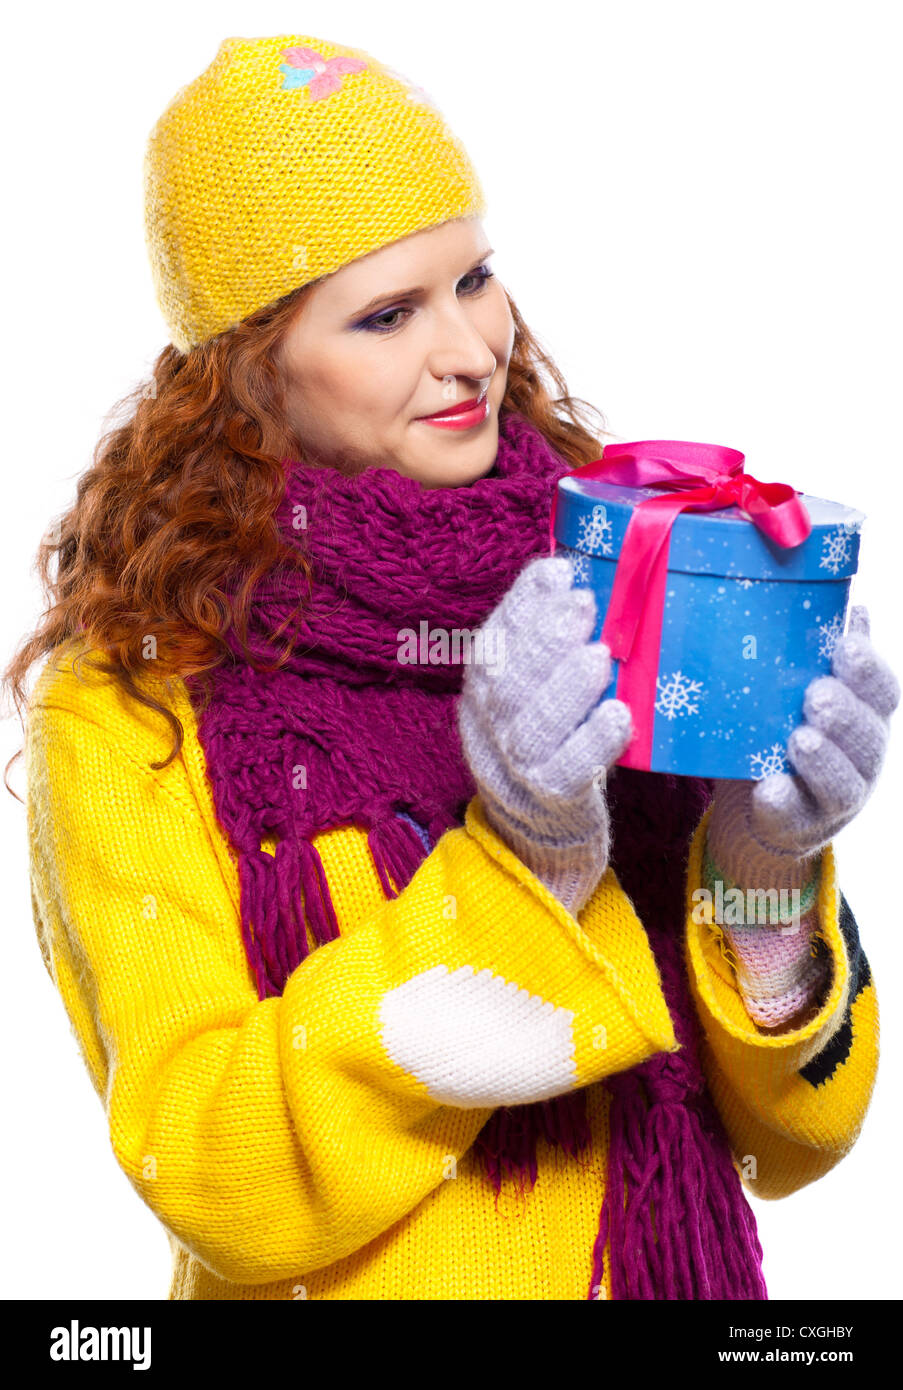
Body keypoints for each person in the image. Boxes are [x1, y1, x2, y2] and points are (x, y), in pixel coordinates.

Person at [4, 33, 898, 1302]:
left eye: (474, 278)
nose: (472, 349)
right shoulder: (133, 699)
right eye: (387, 314)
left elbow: (795, 1138)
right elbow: (209, 1172)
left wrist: (763, 868)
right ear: (248, 372)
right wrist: (521, 870)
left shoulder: (615, 579)